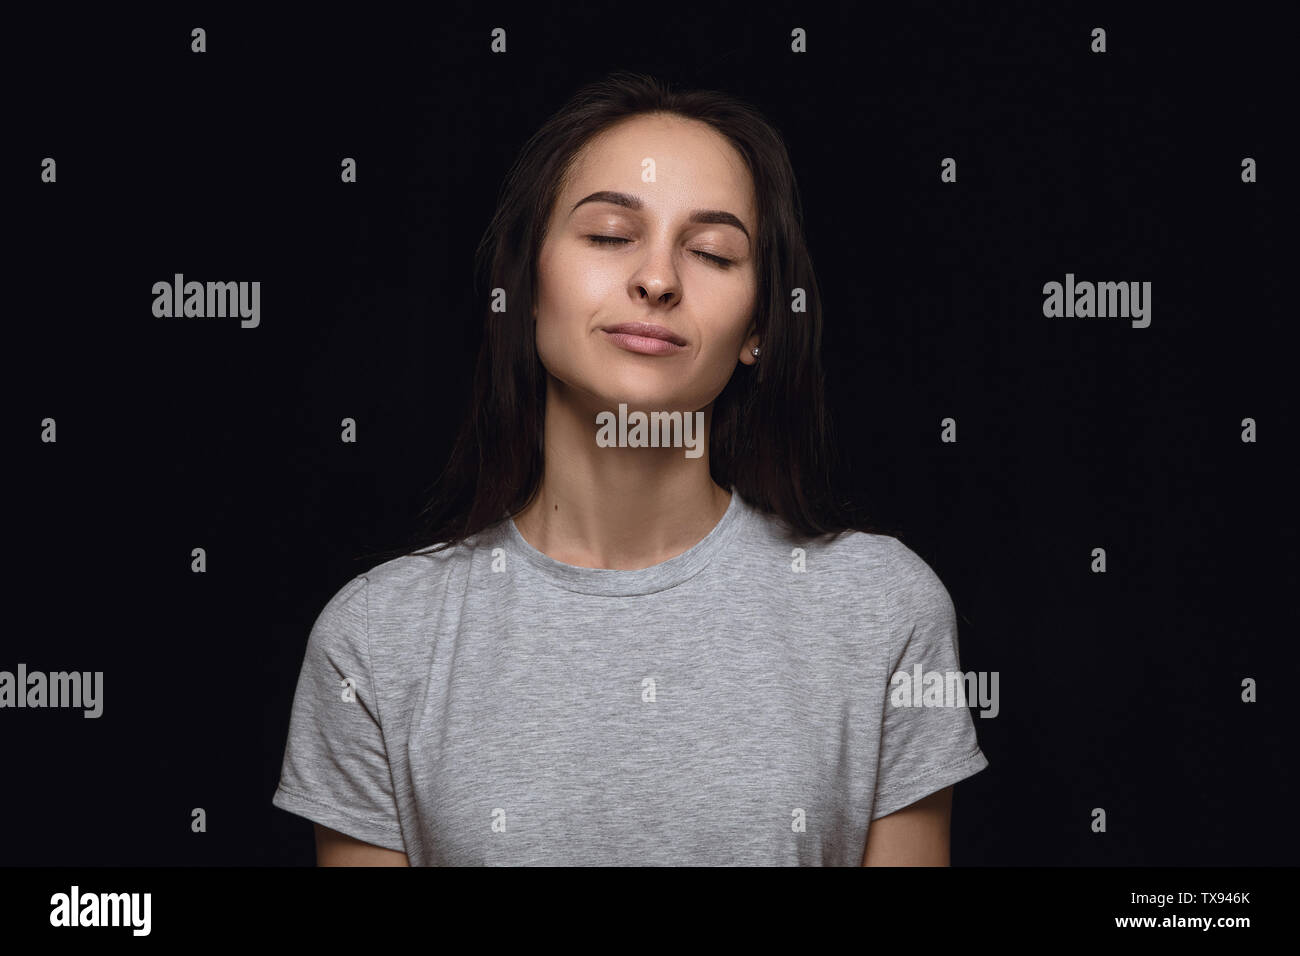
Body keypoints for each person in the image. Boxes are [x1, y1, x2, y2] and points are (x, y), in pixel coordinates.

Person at [272, 71, 989, 866]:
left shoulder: (884, 610)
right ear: (525, 289)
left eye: (713, 252)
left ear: (759, 328)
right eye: (611, 235)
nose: (657, 279)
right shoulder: (376, 640)